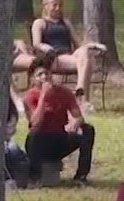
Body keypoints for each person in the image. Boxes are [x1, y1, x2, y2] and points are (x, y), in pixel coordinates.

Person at [20, 55, 95, 186]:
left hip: (59, 137)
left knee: (88, 129)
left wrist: (76, 121)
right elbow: (35, 123)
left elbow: (78, 115)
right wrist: (43, 95)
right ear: (33, 79)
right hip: (40, 141)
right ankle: (34, 177)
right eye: (39, 75)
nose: (44, 77)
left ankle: (81, 175)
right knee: (34, 135)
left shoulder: (64, 92)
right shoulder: (30, 96)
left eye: (46, 73)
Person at [29, 0, 104, 98]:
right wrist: (46, 48)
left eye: (60, 5)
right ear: (45, 5)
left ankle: (80, 89)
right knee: (88, 62)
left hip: (69, 56)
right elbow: (36, 44)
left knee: (84, 52)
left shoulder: (65, 22)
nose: (57, 8)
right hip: (54, 58)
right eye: (54, 5)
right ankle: (83, 97)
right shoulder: (40, 23)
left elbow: (78, 44)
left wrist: (94, 45)